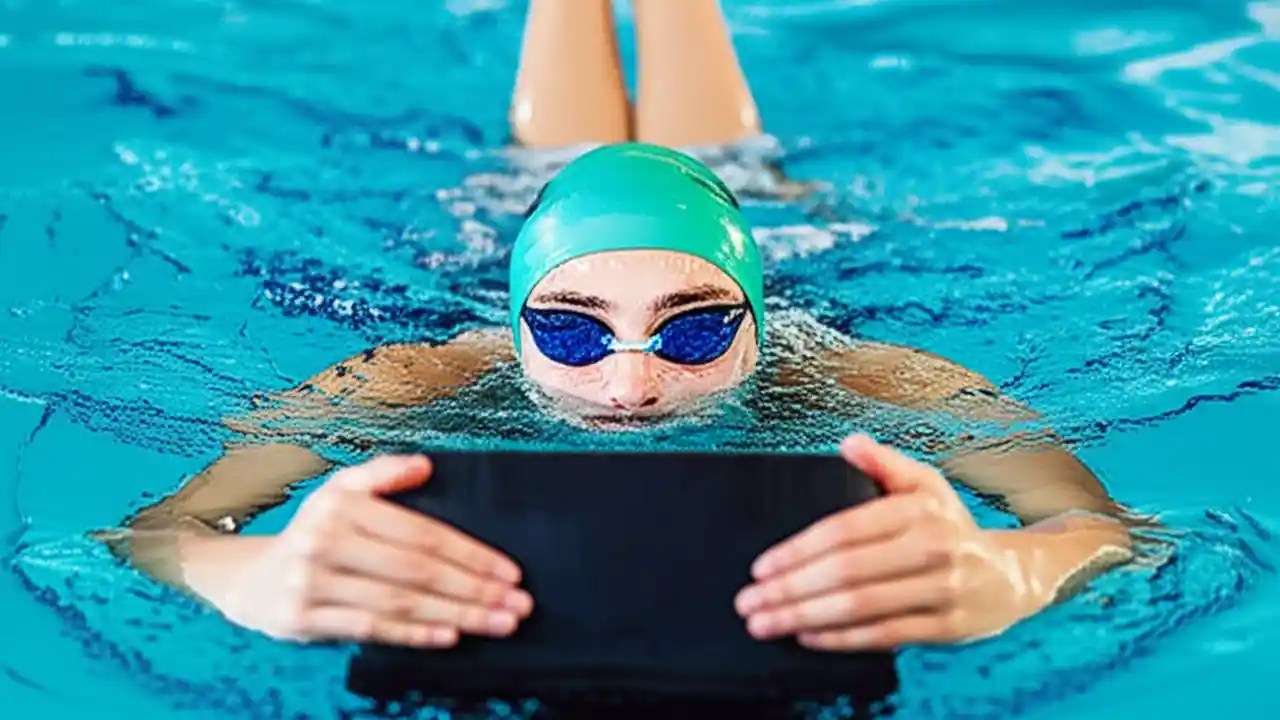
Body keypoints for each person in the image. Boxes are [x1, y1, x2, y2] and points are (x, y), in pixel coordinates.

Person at [107, 0, 1137, 658]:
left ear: (758, 318)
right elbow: (153, 535)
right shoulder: (411, 377)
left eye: (691, 335)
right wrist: (253, 578)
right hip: (519, 204)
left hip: (740, 206)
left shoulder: (870, 380)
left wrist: (1013, 573)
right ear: (511, 329)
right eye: (568, 334)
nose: (628, 389)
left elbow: (1111, 535)